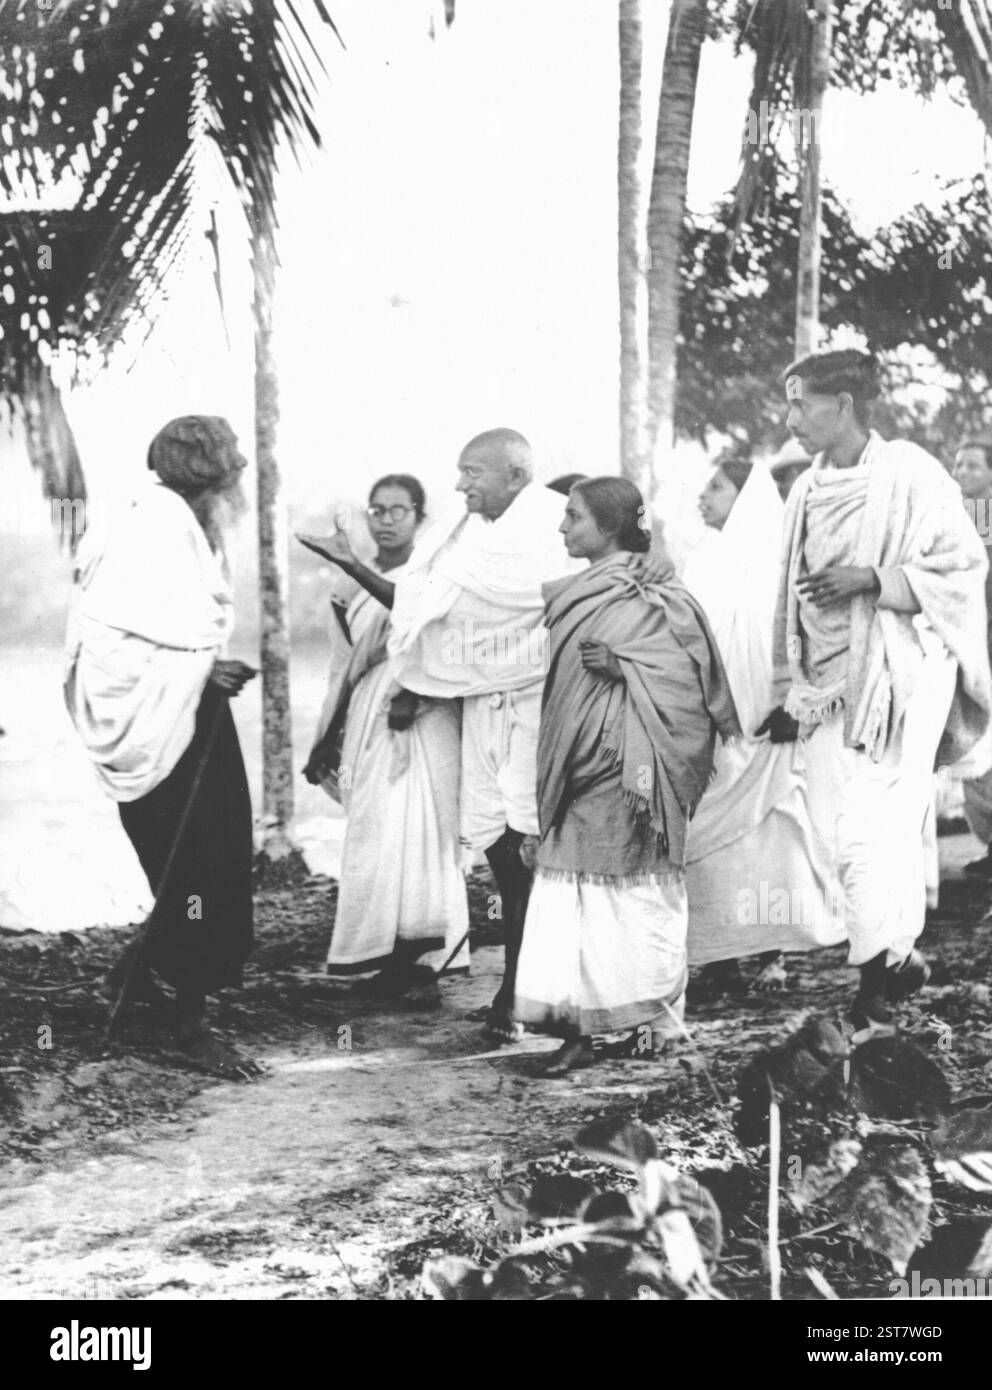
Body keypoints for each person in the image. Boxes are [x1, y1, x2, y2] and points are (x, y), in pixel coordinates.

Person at [764, 350, 991, 1036]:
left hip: (898, 677)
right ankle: (898, 957)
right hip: (828, 683)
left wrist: (873, 578)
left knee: (869, 832)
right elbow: (788, 592)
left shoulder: (914, 474)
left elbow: (961, 568)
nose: (793, 417)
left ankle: (873, 985)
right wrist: (789, 683)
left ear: (847, 404)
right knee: (838, 836)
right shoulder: (807, 488)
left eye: (804, 402)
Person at [513, 478, 741, 1075]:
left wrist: (624, 669)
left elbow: (694, 686)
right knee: (571, 894)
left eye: (574, 517)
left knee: (634, 888)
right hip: (578, 762)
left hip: (633, 767)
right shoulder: (576, 592)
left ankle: (658, 1019)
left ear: (610, 525)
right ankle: (578, 1029)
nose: (563, 528)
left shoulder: (657, 593)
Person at [64, 416, 259, 1079]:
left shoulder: (182, 524)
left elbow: (170, 627)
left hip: (187, 711)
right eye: (233, 468)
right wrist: (201, 671)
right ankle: (189, 1024)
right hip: (160, 719)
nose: (239, 481)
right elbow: (115, 640)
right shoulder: (152, 525)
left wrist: (202, 671)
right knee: (196, 866)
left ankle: (133, 975)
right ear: (212, 474)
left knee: (218, 857)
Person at [382, 428, 584, 1041]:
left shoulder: (551, 531)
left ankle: (540, 995)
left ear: (515, 475)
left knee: (533, 852)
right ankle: (518, 988)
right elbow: (429, 605)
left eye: (473, 472)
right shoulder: (467, 535)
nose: (460, 484)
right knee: (498, 851)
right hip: (483, 707)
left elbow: (500, 612)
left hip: (537, 707)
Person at [297, 476, 469, 989]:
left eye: (399, 510)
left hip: (427, 712)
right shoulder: (350, 586)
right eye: (377, 510)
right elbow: (341, 667)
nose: (387, 519)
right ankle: (386, 954)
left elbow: (447, 640)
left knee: (422, 830)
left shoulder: (437, 572)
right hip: (370, 710)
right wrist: (326, 736)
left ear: (420, 516)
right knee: (374, 829)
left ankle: (424, 962)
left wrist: (417, 694)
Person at [683, 458, 844, 996]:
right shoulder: (700, 561)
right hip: (714, 721)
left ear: (746, 495)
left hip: (772, 722)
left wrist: (796, 706)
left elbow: (810, 639)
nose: (703, 497)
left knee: (771, 835)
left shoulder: (783, 561)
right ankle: (719, 957)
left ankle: (772, 954)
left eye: (715, 487)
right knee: (710, 839)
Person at [951, 437, 992, 875]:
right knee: (973, 746)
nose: (962, 473)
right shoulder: (957, 517)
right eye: (959, 466)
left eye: (974, 467)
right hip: (968, 643)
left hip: (986, 640)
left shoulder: (984, 518)